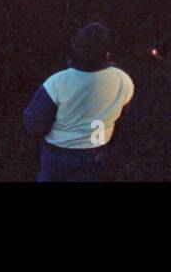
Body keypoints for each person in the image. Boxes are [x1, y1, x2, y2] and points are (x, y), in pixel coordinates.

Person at [23, 23, 134, 182]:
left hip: (58, 155)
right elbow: (123, 119)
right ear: (107, 53)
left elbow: (34, 124)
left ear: (75, 48)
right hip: (98, 154)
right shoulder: (123, 80)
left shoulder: (58, 82)